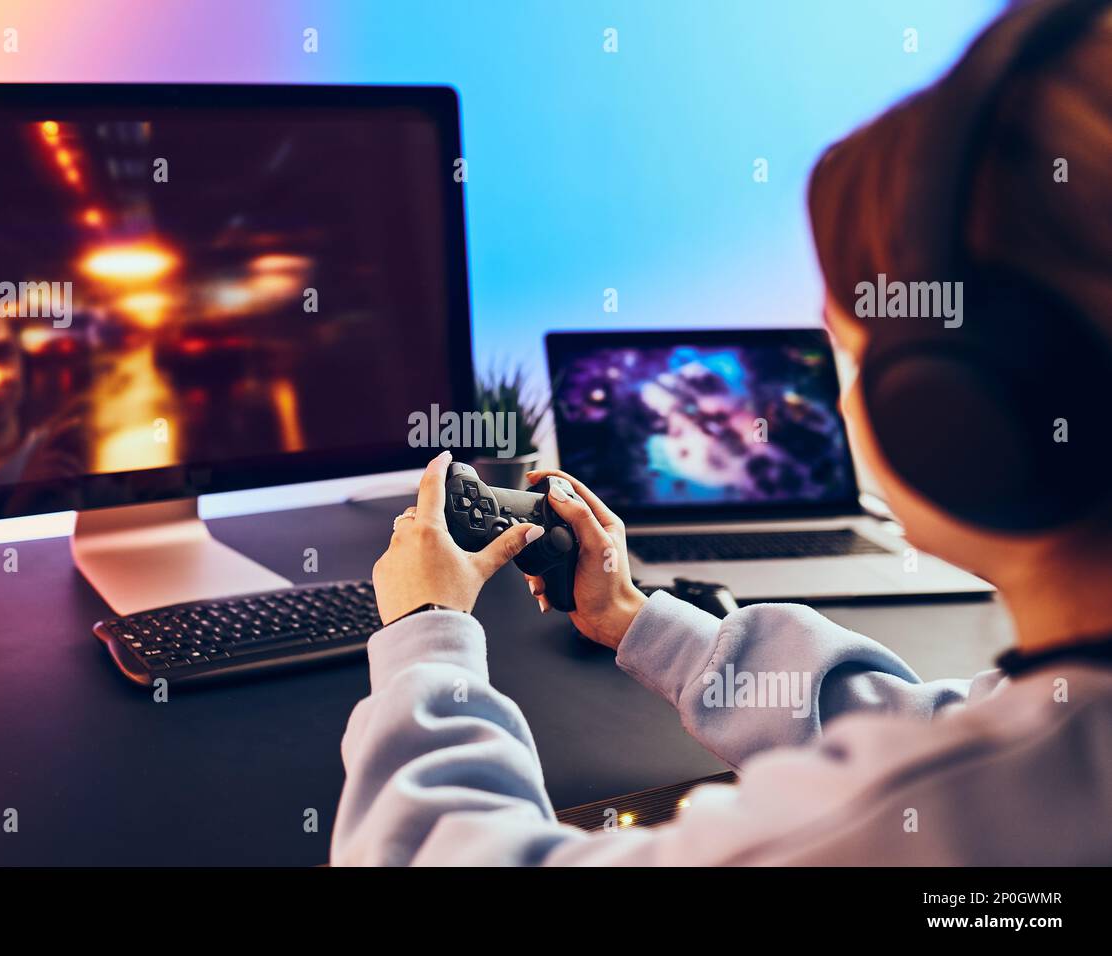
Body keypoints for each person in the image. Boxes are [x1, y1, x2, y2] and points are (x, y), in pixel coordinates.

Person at [331, 1, 1112, 865]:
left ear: (955, 410)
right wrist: (640, 622)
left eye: (854, 356)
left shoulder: (944, 825)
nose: (846, 406)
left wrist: (425, 637)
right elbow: (948, 728)